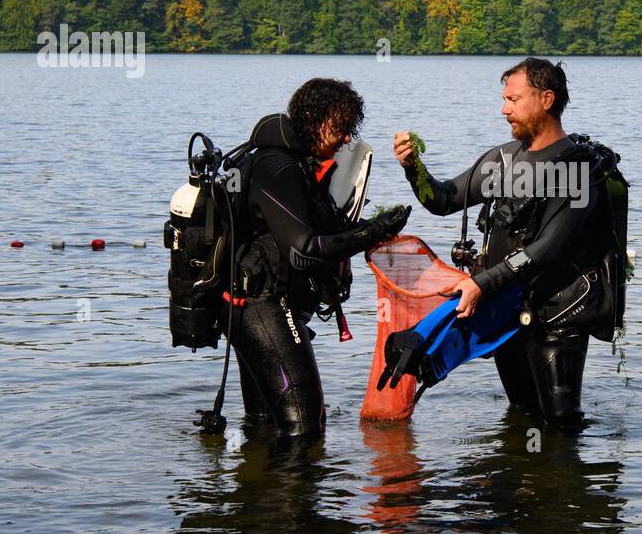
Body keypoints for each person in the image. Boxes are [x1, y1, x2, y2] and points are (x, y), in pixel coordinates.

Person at [392, 58, 615, 428]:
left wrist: (481, 282)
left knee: (561, 423)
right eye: (504, 99)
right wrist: (414, 169)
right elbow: (445, 200)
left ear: (546, 99)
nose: (504, 109)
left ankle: (564, 483)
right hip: (507, 312)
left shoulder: (579, 170)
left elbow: (549, 249)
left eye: (513, 100)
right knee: (522, 414)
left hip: (558, 315)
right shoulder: (503, 160)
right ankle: (519, 482)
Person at [226, 78, 410, 437]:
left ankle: (255, 489)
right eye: (341, 128)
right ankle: (296, 491)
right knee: (305, 428)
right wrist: (373, 233)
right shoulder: (277, 168)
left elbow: (320, 231)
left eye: (350, 130)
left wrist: (371, 226)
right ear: (312, 117)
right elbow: (303, 251)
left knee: (267, 425)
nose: (346, 139)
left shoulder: (300, 165)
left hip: (257, 306)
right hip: (263, 308)